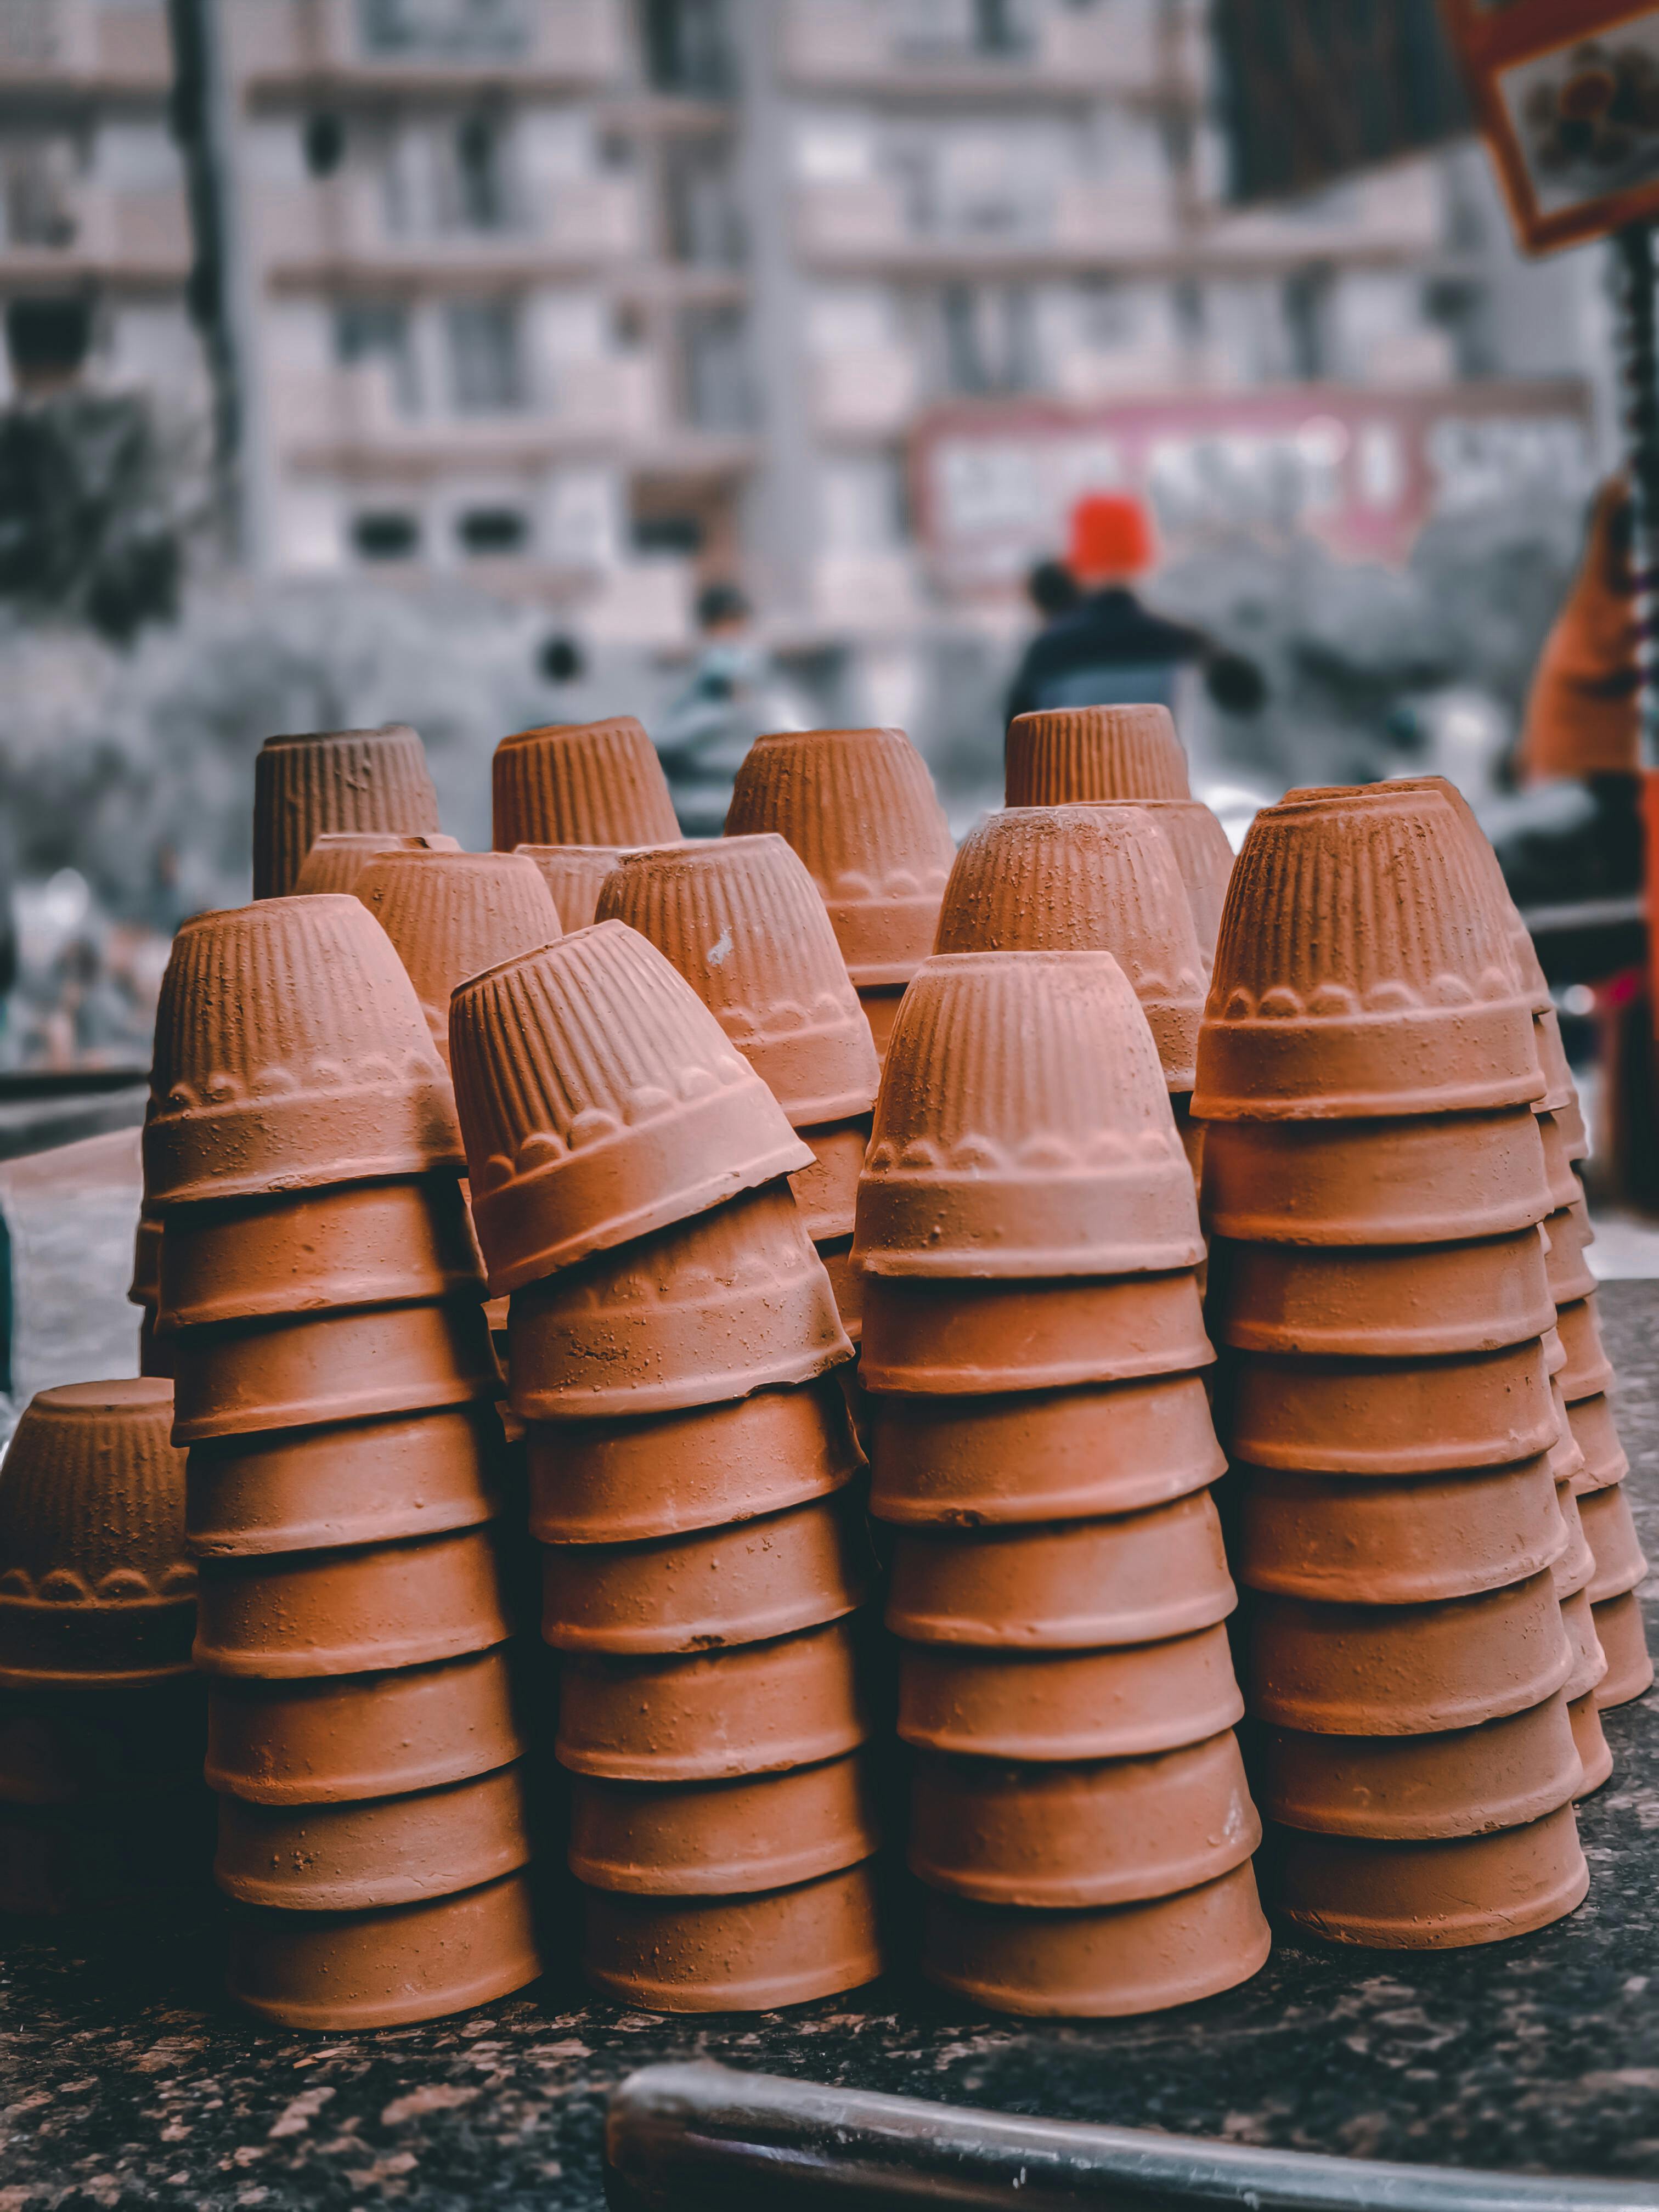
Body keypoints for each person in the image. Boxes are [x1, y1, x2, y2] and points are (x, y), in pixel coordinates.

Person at [1005, 492, 1263, 727]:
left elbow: (1016, 740)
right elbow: (1247, 697)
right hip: (1161, 776)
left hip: (1075, 778)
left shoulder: (1046, 651)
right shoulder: (1180, 638)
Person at [654, 582, 810, 834]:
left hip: (760, 811)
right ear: (705, 630)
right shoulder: (687, 683)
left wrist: (751, 706)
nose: (730, 636)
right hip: (697, 810)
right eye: (721, 627)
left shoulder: (766, 681)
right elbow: (663, 742)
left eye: (736, 626)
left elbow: (798, 735)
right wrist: (720, 711)